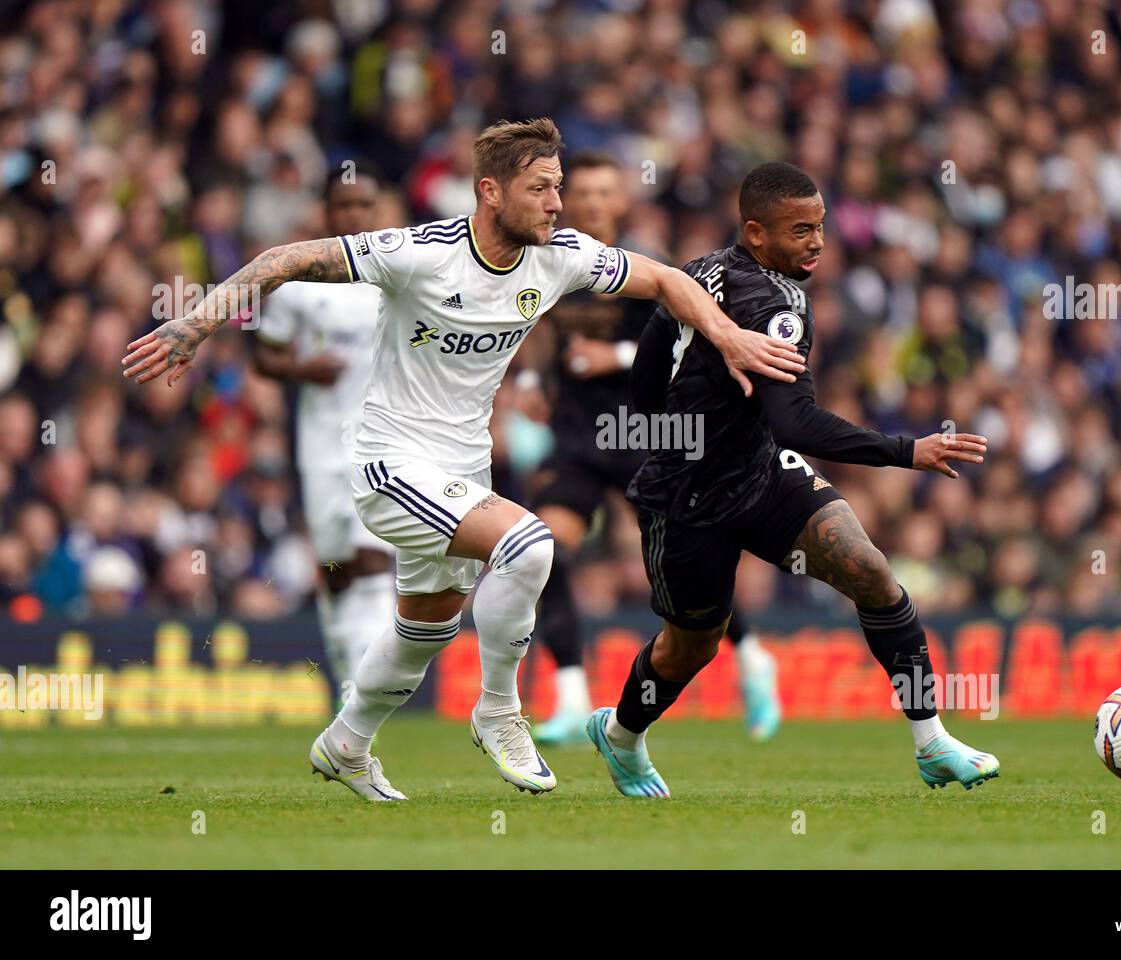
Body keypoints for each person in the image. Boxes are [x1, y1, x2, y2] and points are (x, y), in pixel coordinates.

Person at [121, 118, 804, 802]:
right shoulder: (421, 252)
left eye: (559, 187)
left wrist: (725, 334)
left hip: (460, 471)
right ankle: (500, 710)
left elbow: (662, 280)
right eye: (540, 188)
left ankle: (346, 743)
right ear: (490, 192)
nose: (558, 203)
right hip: (389, 464)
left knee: (424, 630)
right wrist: (195, 323)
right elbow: (286, 260)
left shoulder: (560, 255)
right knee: (532, 545)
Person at [588, 162, 999, 798]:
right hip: (687, 501)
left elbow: (646, 375)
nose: (818, 242)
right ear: (756, 232)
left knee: (869, 571)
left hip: (760, 472)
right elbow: (798, 422)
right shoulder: (776, 304)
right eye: (801, 230)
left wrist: (676, 427)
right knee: (690, 648)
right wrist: (905, 450)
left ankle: (932, 741)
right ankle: (620, 735)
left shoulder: (696, 273)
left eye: (821, 227)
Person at [518, 152, 781, 746]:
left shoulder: (644, 270)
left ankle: (751, 657)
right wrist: (532, 382)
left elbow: (690, 347)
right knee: (545, 546)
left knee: (688, 566)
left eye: (602, 193)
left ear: (621, 203)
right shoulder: (550, 262)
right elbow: (534, 325)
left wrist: (612, 357)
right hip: (577, 437)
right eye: (579, 192)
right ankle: (570, 692)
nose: (588, 203)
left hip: (644, 433)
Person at [252, 162, 395, 705]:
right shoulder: (299, 283)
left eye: (365, 206)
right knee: (335, 563)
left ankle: (372, 684)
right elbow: (265, 357)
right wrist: (304, 370)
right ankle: (347, 669)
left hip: (382, 442)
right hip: (319, 445)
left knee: (373, 553)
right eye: (346, 206)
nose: (356, 215)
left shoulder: (394, 276)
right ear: (327, 212)